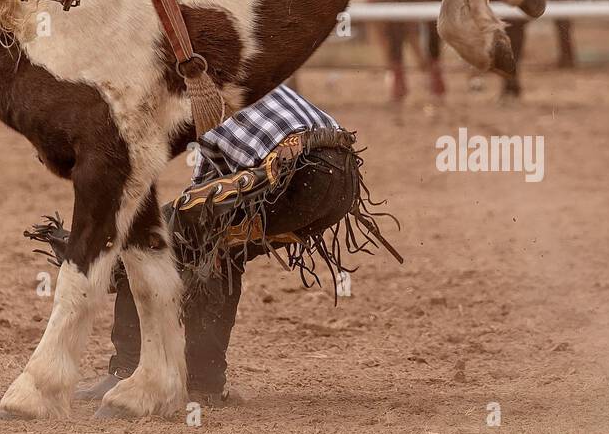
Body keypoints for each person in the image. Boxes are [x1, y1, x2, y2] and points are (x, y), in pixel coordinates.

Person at [31, 84, 399, 405]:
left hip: (296, 170)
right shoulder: (224, 76)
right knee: (215, 248)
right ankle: (205, 383)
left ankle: (128, 369)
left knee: (146, 241)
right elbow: (200, 197)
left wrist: (101, 250)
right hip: (339, 177)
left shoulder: (158, 89)